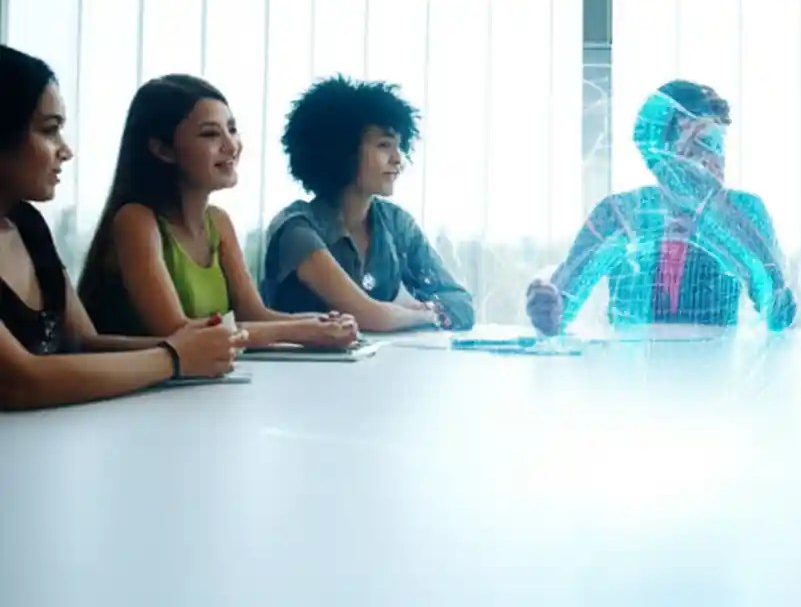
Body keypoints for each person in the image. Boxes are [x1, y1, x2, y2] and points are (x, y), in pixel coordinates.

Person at [0, 46, 245, 410]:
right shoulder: (137, 219)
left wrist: (191, 345)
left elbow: (84, 342)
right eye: (49, 131)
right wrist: (173, 358)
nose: (65, 150)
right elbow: (18, 381)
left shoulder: (27, 223)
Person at [78, 75, 359, 349]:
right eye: (211, 134)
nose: (231, 145)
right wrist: (304, 330)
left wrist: (323, 321)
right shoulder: (136, 221)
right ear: (163, 150)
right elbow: (180, 334)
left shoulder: (218, 221)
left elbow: (254, 315)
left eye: (232, 129)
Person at [526, 79, 796, 335]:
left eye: (718, 145)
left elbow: (779, 315)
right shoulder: (620, 213)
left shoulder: (744, 211)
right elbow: (561, 309)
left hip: (719, 374)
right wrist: (546, 310)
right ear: (662, 149)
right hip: (627, 375)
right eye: (702, 143)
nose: (713, 158)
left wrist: (717, 219)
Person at [260, 76, 474, 332]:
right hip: (298, 369)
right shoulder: (296, 229)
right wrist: (425, 315)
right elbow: (368, 316)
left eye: (399, 146)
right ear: (341, 151)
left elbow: (461, 305)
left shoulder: (396, 224)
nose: (398, 159)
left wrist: (414, 312)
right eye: (384, 145)